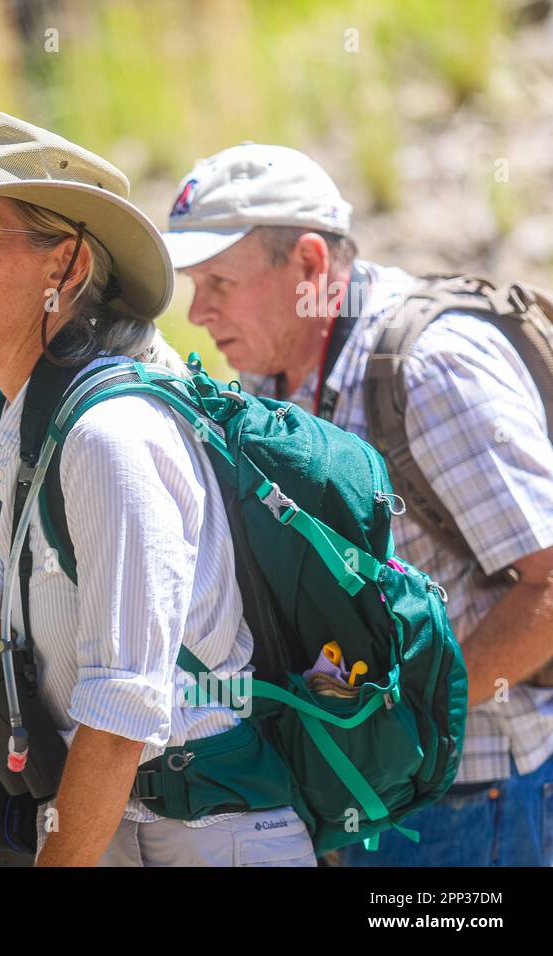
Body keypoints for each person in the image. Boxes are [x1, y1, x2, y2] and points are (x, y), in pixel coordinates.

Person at [0, 112, 320, 867]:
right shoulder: (31, 419)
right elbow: (54, 657)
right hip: (127, 833)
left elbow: (117, 719)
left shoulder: (110, 438)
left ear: (66, 268)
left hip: (198, 840)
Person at [161, 142, 553, 866]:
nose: (196, 309)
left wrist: (409, 727)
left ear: (310, 266)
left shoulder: (432, 369)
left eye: (218, 280)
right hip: (369, 795)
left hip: (474, 799)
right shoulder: (270, 375)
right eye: (192, 282)